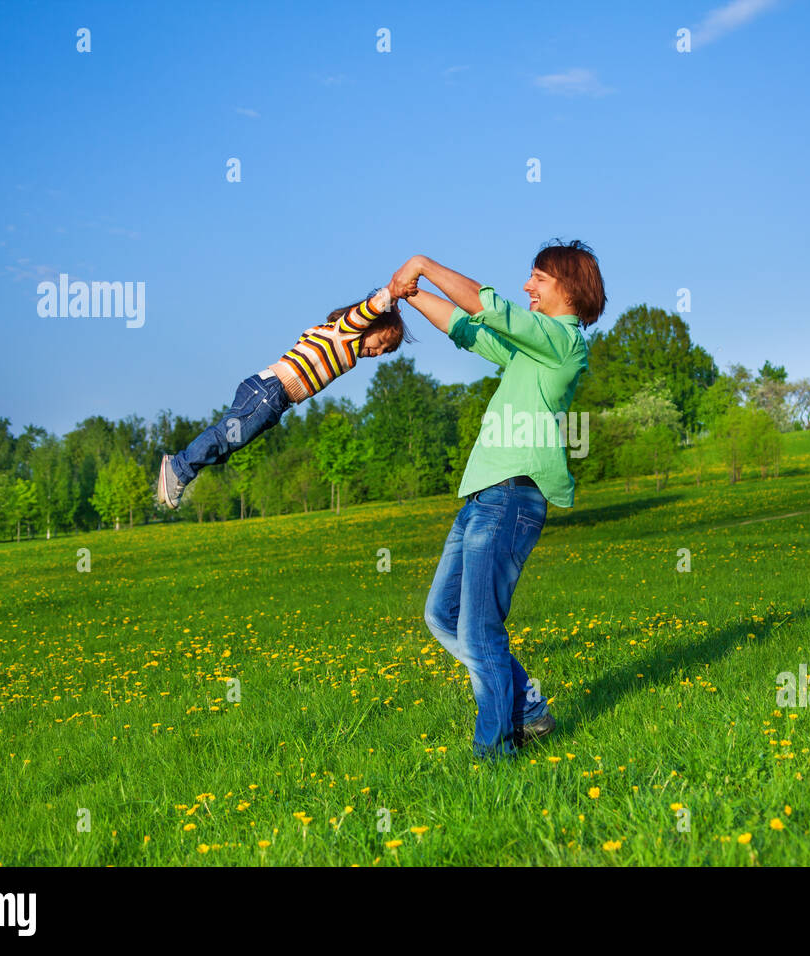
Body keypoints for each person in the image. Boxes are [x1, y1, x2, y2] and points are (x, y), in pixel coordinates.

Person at [390, 240, 606, 758]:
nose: (527, 286)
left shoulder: (563, 343)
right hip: (484, 496)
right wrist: (410, 294)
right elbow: (467, 327)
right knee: (443, 614)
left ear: (569, 290)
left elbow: (487, 307)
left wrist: (422, 263)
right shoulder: (532, 348)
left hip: (513, 497)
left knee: (481, 626)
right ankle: (529, 712)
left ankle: (495, 754)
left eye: (538, 278)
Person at [156, 287, 407, 509]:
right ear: (370, 325)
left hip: (272, 399)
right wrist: (391, 293)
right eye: (381, 342)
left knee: (228, 446)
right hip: (269, 392)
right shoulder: (345, 332)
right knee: (225, 438)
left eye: (385, 352)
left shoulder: (345, 345)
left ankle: (182, 468)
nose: (378, 352)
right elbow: (368, 310)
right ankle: (179, 467)